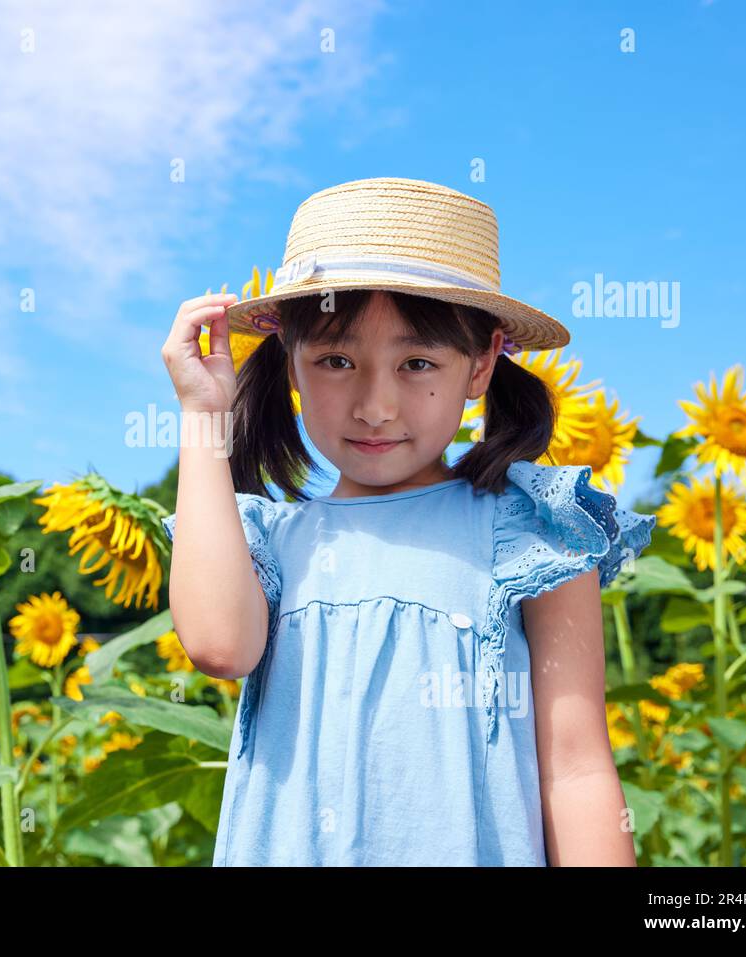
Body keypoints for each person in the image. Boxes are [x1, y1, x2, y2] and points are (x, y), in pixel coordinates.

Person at [159, 177, 656, 866]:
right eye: (336, 360)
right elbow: (218, 645)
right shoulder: (271, 541)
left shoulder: (530, 533)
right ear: (292, 365)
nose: (375, 405)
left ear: (481, 363)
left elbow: (574, 767)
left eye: (417, 362)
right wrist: (204, 412)